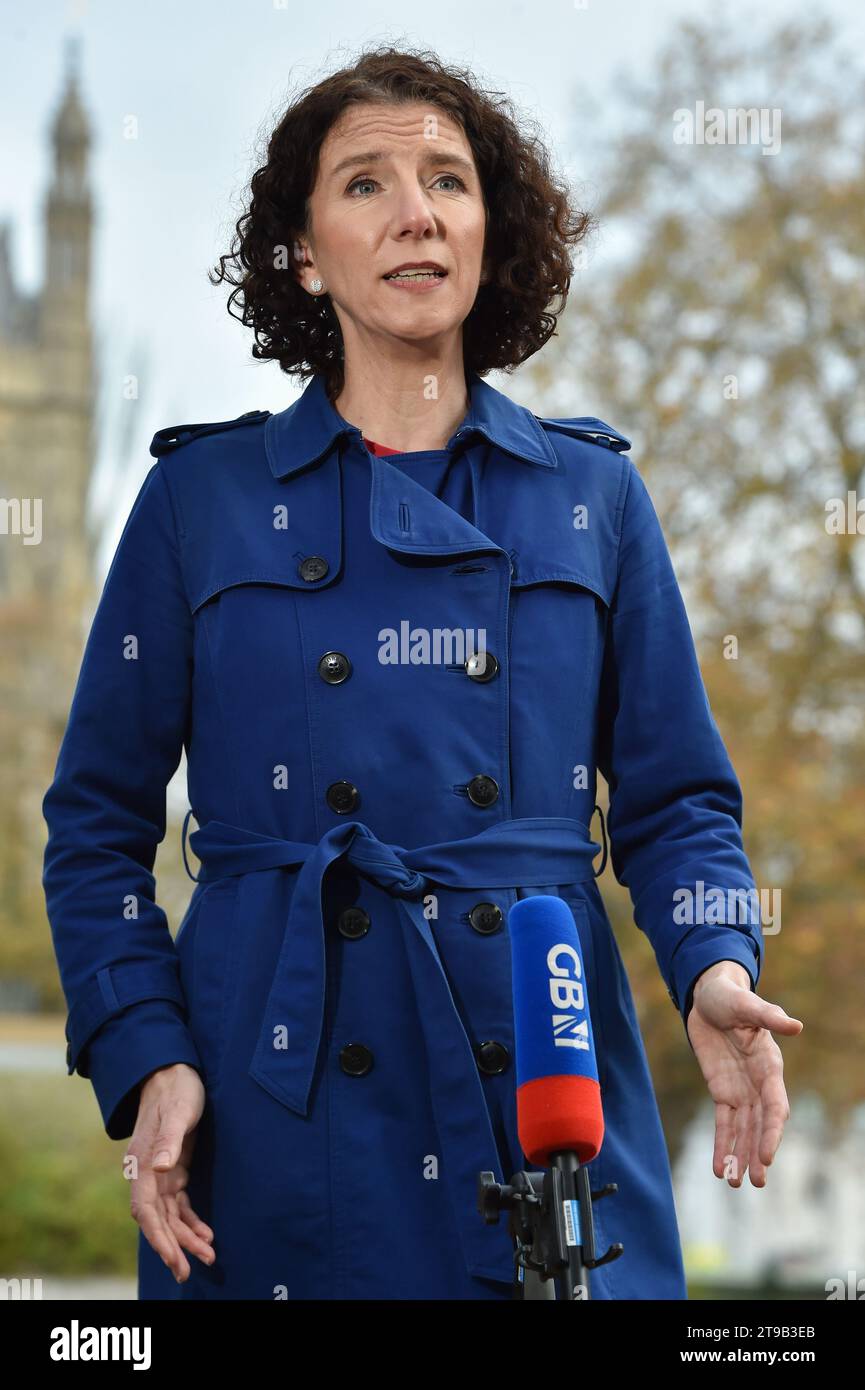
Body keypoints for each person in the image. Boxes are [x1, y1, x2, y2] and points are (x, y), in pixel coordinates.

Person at [41, 44, 802, 1301]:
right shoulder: (199, 501)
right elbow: (96, 826)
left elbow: (677, 804)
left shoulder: (592, 494)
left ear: (488, 234)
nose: (414, 212)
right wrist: (147, 1052)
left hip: (542, 1054)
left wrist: (716, 965)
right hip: (274, 1084)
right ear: (302, 249)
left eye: (447, 180)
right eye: (365, 184)